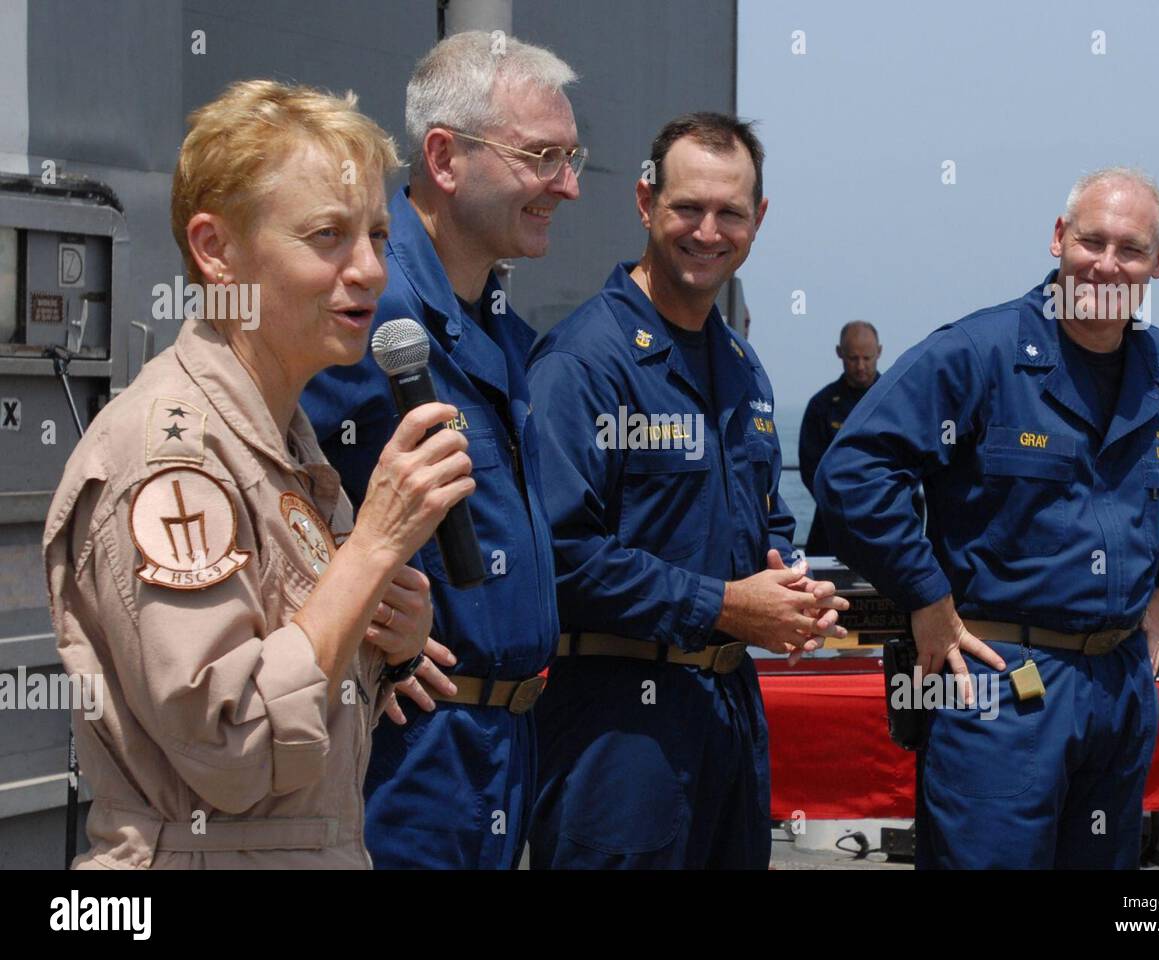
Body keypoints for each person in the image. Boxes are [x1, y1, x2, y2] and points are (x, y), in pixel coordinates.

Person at [42, 80, 474, 868]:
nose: (371, 270)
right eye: (327, 236)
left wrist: (392, 648)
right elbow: (232, 749)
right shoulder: (169, 458)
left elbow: (306, 697)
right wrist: (372, 549)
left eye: (379, 235)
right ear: (216, 251)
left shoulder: (284, 445)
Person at [815, 167, 1159, 869]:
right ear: (1058, 238)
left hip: (1120, 686)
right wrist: (925, 596)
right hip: (1000, 682)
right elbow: (853, 473)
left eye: (1130, 249)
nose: (1106, 263)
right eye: (1091, 241)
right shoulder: (980, 354)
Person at [525, 112, 849, 869]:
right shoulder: (581, 365)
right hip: (614, 734)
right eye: (687, 209)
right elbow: (562, 558)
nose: (708, 232)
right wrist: (730, 606)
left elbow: (766, 514)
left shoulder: (741, 364)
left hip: (729, 716)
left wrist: (789, 587)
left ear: (757, 219)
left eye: (730, 212)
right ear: (645, 204)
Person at [302, 31, 581, 869]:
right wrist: (366, 605)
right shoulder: (366, 316)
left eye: (572, 159)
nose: (565, 186)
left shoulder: (501, 330)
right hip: (408, 754)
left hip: (501, 750)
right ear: (445, 157)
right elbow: (264, 485)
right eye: (541, 157)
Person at [799, 321, 882, 555]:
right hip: (833, 523)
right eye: (853, 358)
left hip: (887, 523)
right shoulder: (822, 405)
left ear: (880, 352)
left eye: (867, 358)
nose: (861, 367)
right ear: (839, 353)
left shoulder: (897, 400)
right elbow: (810, 469)